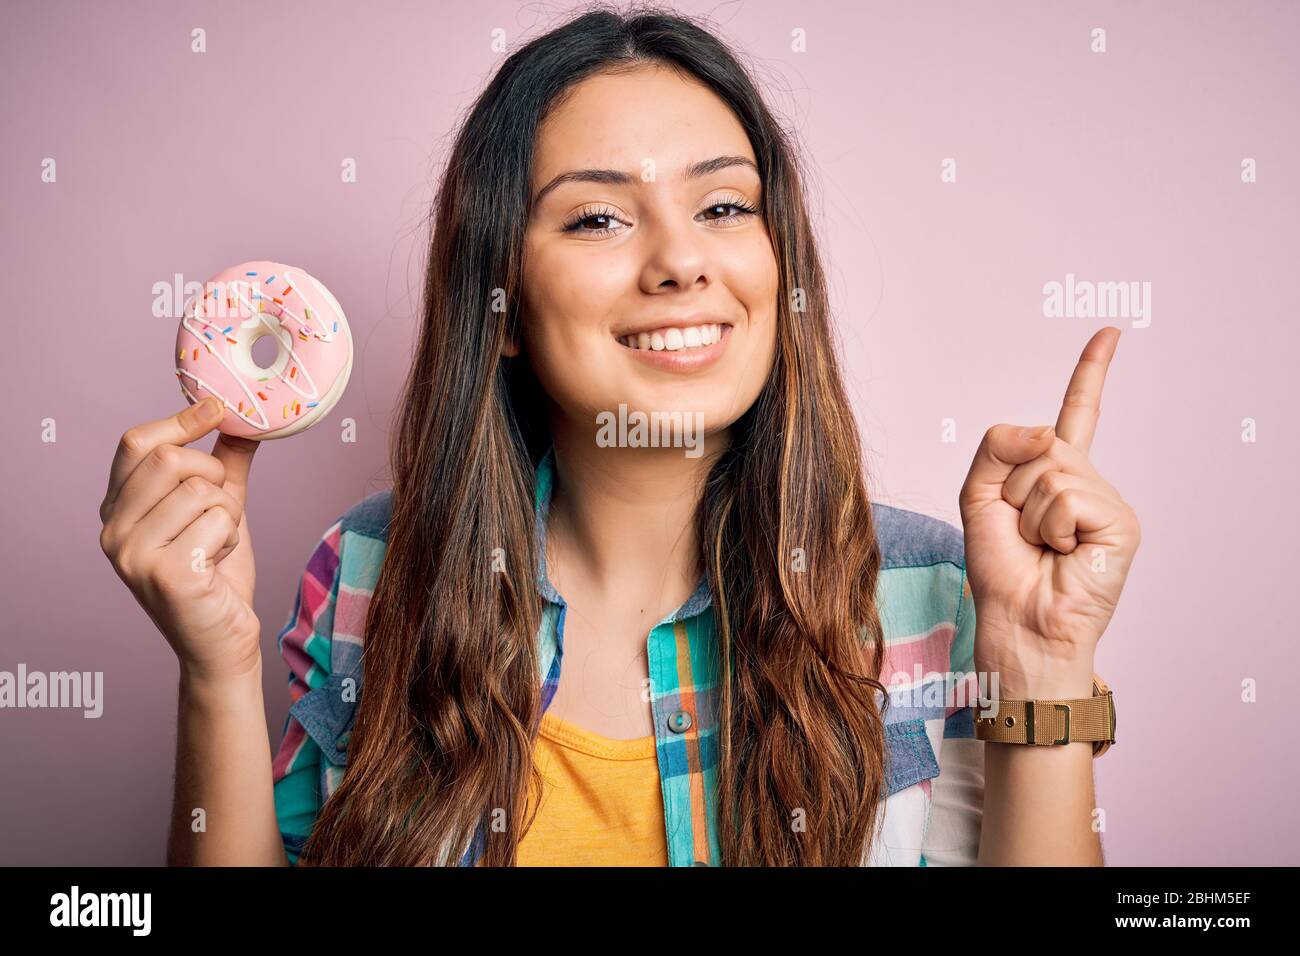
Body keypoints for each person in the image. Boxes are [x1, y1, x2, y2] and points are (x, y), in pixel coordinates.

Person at [98, 5, 1140, 867]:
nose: (682, 261)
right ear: (499, 302)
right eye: (598, 218)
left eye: (725, 205)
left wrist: (1044, 670)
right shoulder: (361, 575)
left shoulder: (937, 599)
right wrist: (216, 670)